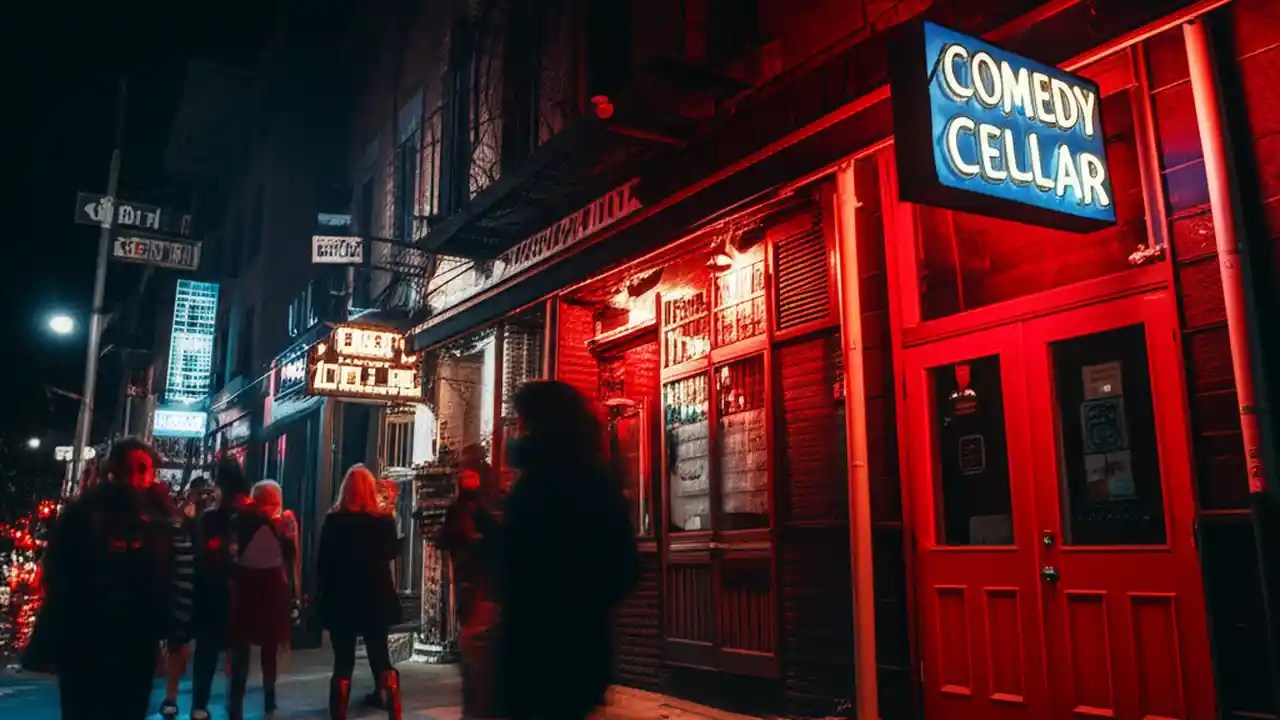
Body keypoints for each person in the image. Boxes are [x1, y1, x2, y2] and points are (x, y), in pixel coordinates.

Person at [499, 380, 639, 719]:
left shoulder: (532, 486)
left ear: (535, 423)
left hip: (532, 651)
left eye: (520, 418)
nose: (516, 427)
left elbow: (511, 569)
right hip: (584, 650)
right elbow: (624, 569)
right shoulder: (598, 481)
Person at [25, 438, 174, 720]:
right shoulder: (89, 515)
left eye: (146, 468)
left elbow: (161, 580)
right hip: (95, 638)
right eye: (140, 468)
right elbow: (61, 575)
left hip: (125, 640)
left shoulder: (152, 520)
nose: (143, 476)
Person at [318, 464, 403, 720]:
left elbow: (323, 562)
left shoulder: (333, 522)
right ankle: (393, 708)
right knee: (380, 654)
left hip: (341, 599)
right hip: (375, 598)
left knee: (343, 660)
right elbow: (391, 552)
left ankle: (339, 712)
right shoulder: (382, 522)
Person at [226, 480, 299, 720]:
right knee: (269, 646)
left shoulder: (240, 520)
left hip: (244, 587)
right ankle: (269, 698)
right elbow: (290, 556)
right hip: (270, 589)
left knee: (241, 645)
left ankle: (236, 699)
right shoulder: (276, 525)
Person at [435, 468, 502, 718]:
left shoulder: (462, 510)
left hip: (470, 582)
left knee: (472, 643)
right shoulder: (481, 510)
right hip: (480, 583)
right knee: (475, 643)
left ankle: (476, 703)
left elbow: (445, 538)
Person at [189, 459, 252, 720]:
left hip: (212, 589)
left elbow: (200, 554)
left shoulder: (210, 517)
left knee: (207, 650)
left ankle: (199, 705)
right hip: (242, 589)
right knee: (240, 650)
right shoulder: (250, 516)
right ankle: (234, 704)